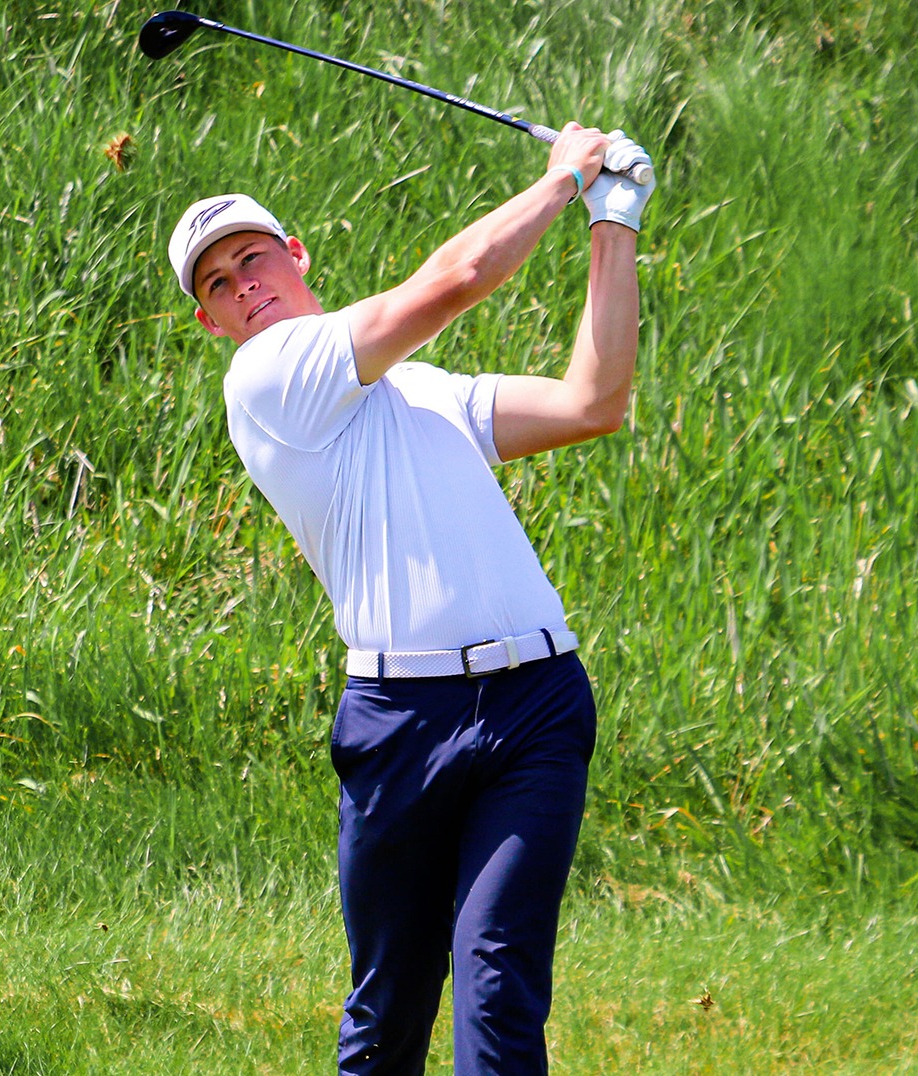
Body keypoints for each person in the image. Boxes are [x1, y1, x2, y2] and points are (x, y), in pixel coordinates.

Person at [165, 124, 654, 1075]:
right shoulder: (266, 378)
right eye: (218, 285)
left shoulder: (422, 389)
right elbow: (456, 281)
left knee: (499, 988)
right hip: (403, 722)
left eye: (253, 258)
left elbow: (593, 401)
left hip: (537, 703)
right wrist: (563, 180)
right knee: (390, 1015)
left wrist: (613, 220)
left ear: (296, 254)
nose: (244, 285)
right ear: (211, 322)